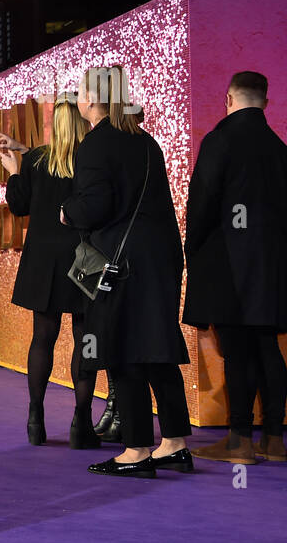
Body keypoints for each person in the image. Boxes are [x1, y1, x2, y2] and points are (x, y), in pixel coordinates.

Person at [61, 73, 191, 477]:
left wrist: (68, 211)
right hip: (161, 258)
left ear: (92, 100)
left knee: (122, 349)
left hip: (120, 264)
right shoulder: (146, 140)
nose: (77, 99)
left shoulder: (96, 144)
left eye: (81, 91)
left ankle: (135, 449)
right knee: (157, 349)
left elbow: (96, 205)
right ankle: (174, 443)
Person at [183, 71, 287, 463]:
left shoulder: (220, 140)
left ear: (228, 99)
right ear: (266, 101)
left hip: (228, 263)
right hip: (273, 267)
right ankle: (275, 440)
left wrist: (191, 252)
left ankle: (239, 440)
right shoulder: (281, 151)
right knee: (268, 347)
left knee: (237, 351)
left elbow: (203, 206)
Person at [0, 95, 99, 447]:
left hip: (43, 261)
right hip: (84, 260)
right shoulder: (91, 161)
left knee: (43, 338)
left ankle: (35, 418)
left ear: (54, 125)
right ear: (83, 121)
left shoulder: (38, 161)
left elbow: (19, 205)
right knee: (86, 339)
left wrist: (14, 170)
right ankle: (81, 423)